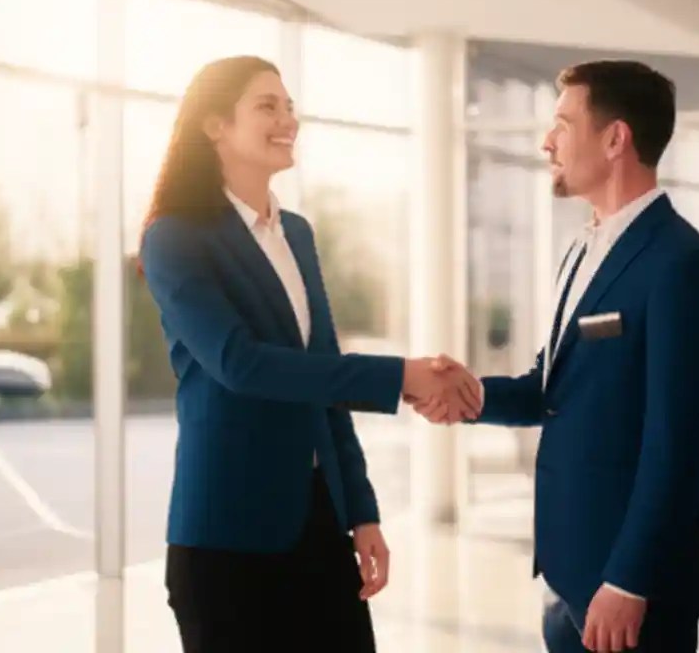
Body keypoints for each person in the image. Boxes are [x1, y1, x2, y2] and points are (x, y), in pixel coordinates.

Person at [138, 55, 481, 652]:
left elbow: (323, 375)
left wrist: (362, 512)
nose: (287, 119)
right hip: (227, 536)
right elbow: (240, 364)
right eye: (266, 106)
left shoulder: (295, 232)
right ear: (214, 125)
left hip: (316, 523)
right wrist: (400, 375)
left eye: (289, 106)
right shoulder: (173, 237)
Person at [411, 60, 699, 652]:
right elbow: (554, 387)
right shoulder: (579, 251)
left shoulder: (684, 266)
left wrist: (629, 579)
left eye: (563, 123)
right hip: (567, 577)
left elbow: (680, 446)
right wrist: (470, 395)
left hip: (631, 591)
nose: (546, 141)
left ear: (615, 139)